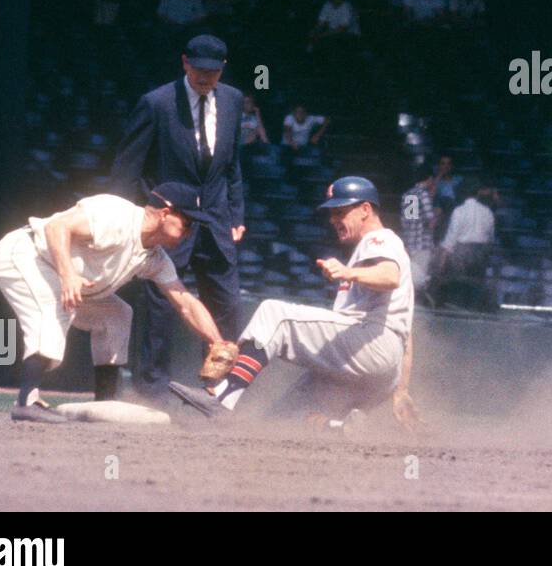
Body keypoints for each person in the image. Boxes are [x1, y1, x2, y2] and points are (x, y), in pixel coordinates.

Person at [169, 177, 419, 430]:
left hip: (369, 345)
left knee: (274, 313)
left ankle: (222, 399)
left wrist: (347, 272)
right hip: (376, 368)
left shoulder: (380, 239)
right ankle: (338, 429)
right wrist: (400, 389)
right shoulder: (376, 250)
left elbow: (389, 276)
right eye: (332, 213)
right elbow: (405, 335)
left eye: (340, 212)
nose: (333, 219)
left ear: (365, 209)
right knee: (280, 421)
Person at [0, 184, 225, 422]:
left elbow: (185, 302)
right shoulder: (117, 215)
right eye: (187, 223)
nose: (189, 232)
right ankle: (26, 401)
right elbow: (56, 226)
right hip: (26, 255)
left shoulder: (155, 258)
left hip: (66, 277)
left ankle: (104, 403)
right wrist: (67, 274)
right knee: (53, 308)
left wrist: (217, 341)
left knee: (117, 315)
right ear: (165, 213)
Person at [111, 34, 246, 398]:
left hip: (218, 222)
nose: (206, 77)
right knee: (161, 306)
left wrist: (237, 214)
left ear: (223, 69)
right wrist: (131, 219)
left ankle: (219, 391)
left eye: (213, 72)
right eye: (199, 69)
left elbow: (232, 165)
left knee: (228, 304)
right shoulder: (156, 103)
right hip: (170, 221)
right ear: (185, 62)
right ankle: (151, 391)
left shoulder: (233, 101)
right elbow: (128, 166)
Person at [434, 182, 499, 311]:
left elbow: (451, 237)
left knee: (458, 282)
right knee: (475, 283)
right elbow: (491, 237)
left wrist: (442, 258)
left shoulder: (459, 211)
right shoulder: (488, 212)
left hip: (461, 252)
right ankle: (473, 308)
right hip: (480, 252)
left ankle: (457, 306)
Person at [400, 173, 439, 298]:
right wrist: (438, 213)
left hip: (410, 243)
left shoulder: (408, 194)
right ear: (429, 179)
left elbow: (409, 220)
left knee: (410, 278)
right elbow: (431, 222)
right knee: (421, 280)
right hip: (422, 244)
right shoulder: (424, 194)